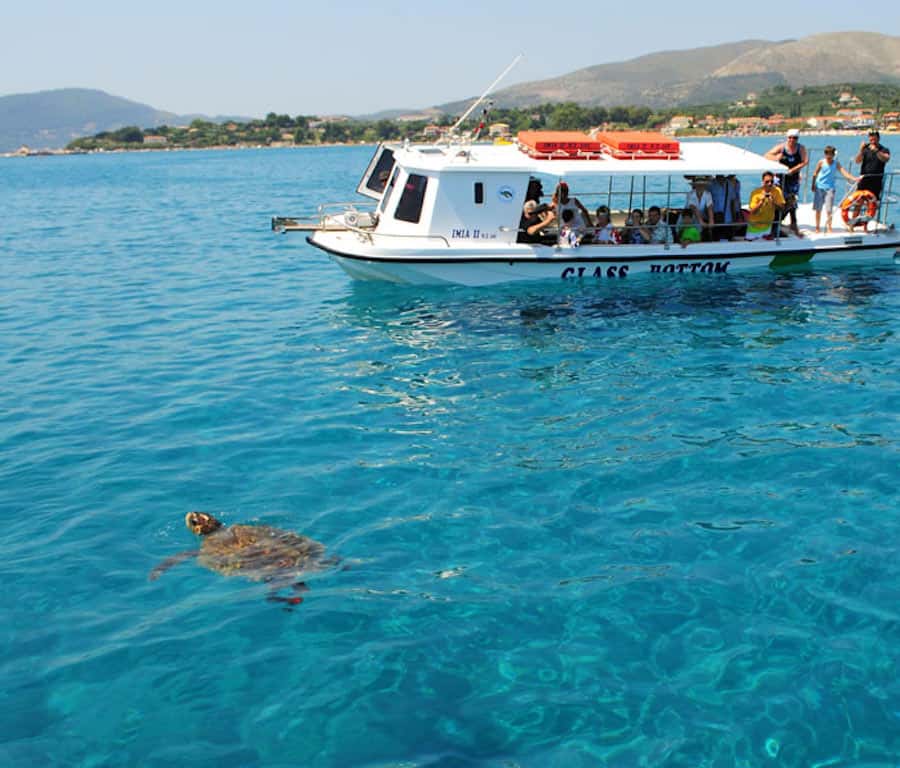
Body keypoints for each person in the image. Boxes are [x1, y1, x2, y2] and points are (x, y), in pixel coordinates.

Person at [765, 128, 808, 237]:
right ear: (787, 138)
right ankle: (776, 224)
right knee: (780, 201)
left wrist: (793, 170)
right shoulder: (781, 147)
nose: (792, 140)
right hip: (781, 179)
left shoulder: (801, 148)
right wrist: (776, 157)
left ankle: (793, 223)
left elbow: (805, 161)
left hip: (793, 179)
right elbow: (766, 155)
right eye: (790, 138)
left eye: (795, 138)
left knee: (792, 201)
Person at [810, 146, 858, 233]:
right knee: (818, 209)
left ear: (833, 155)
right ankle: (817, 227)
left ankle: (829, 227)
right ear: (825, 154)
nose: (829, 156)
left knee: (829, 209)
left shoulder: (836, 163)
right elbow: (815, 173)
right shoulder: (821, 162)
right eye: (827, 154)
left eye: (831, 154)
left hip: (830, 188)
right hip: (819, 187)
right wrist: (813, 185)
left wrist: (854, 178)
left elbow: (844, 172)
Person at [746, 172, 785, 240]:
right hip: (755, 225)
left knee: (766, 243)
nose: (769, 184)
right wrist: (760, 203)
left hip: (768, 225)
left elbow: (782, 208)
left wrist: (773, 202)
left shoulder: (777, 191)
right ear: (763, 181)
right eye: (767, 182)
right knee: (751, 243)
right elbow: (752, 211)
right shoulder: (756, 192)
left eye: (771, 181)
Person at [854, 130, 891, 202]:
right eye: (871, 139)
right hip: (864, 179)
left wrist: (876, 151)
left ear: (878, 138)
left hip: (876, 181)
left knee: (873, 202)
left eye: (874, 139)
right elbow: (857, 161)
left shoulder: (884, 149)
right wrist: (861, 150)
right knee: (858, 201)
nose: (872, 141)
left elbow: (886, 159)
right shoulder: (865, 148)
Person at [685, 177, 715, 241]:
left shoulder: (708, 194)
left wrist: (711, 220)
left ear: (705, 186)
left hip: (699, 218)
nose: (700, 186)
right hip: (687, 218)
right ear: (695, 185)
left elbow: (710, 207)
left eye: (702, 185)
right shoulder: (690, 194)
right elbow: (694, 208)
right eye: (698, 184)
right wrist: (701, 221)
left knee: (699, 235)